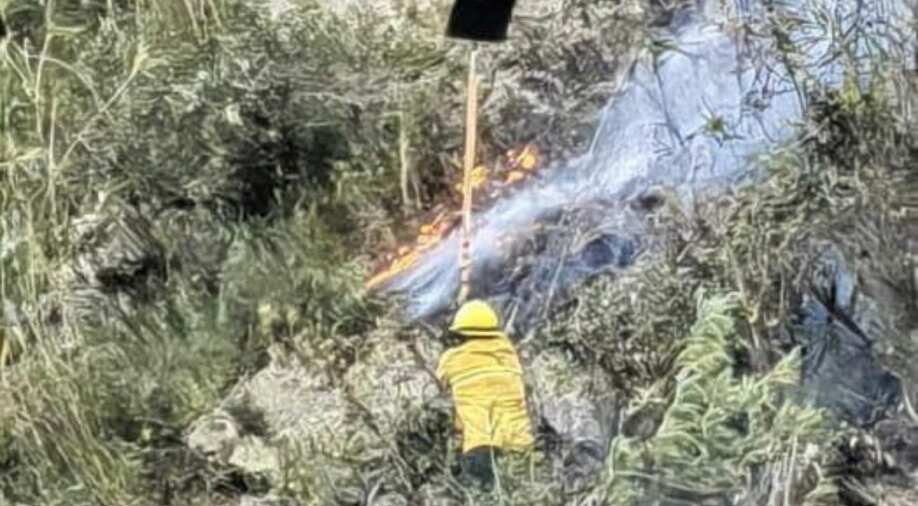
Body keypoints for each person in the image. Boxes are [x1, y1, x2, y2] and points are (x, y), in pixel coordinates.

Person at [436, 299, 534, 489]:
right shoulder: (509, 354)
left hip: (480, 446)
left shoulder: (451, 358)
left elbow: (439, 386)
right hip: (520, 444)